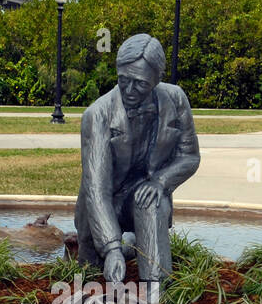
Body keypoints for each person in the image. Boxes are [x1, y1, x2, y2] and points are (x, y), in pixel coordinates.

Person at [75, 33, 200, 288]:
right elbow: (97, 190)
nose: (130, 90)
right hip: (103, 205)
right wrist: (111, 247)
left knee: (150, 199)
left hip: (144, 192)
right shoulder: (97, 114)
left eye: (140, 84)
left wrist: (160, 182)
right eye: (124, 80)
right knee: (93, 278)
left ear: (157, 79)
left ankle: (155, 288)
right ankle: (122, 248)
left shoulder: (176, 100)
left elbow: (189, 156)